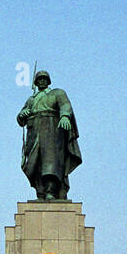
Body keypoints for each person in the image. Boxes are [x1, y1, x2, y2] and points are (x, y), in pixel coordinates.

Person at [17, 70, 82, 200]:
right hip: (34, 131)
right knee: (35, 163)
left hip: (52, 129)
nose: (42, 81)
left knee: (50, 161)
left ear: (48, 81)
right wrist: (21, 115)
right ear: (36, 82)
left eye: (44, 79)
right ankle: (40, 192)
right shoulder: (31, 99)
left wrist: (64, 116)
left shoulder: (57, 93)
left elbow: (65, 105)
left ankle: (50, 190)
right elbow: (21, 119)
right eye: (39, 79)